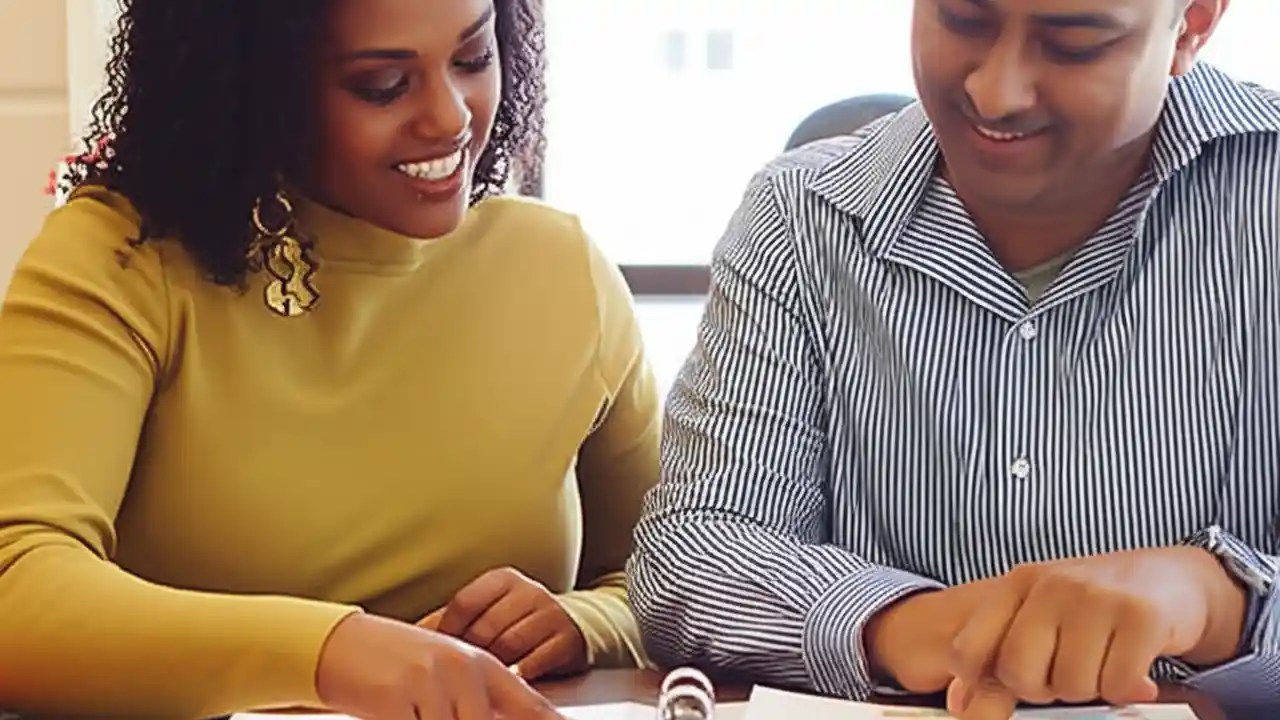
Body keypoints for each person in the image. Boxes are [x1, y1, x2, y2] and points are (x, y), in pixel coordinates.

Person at [0, 0, 660, 718]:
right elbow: (15, 584)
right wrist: (328, 654)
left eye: (473, 57)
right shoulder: (124, 261)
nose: (450, 117)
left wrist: (584, 624)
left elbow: (681, 581)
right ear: (255, 88)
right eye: (382, 86)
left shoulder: (559, 271)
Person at [629, 0, 1279, 718]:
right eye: (963, 19)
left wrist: (1220, 602)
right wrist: (906, 625)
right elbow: (692, 554)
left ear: (1194, 22)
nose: (997, 92)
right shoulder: (801, 216)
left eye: (1073, 42)